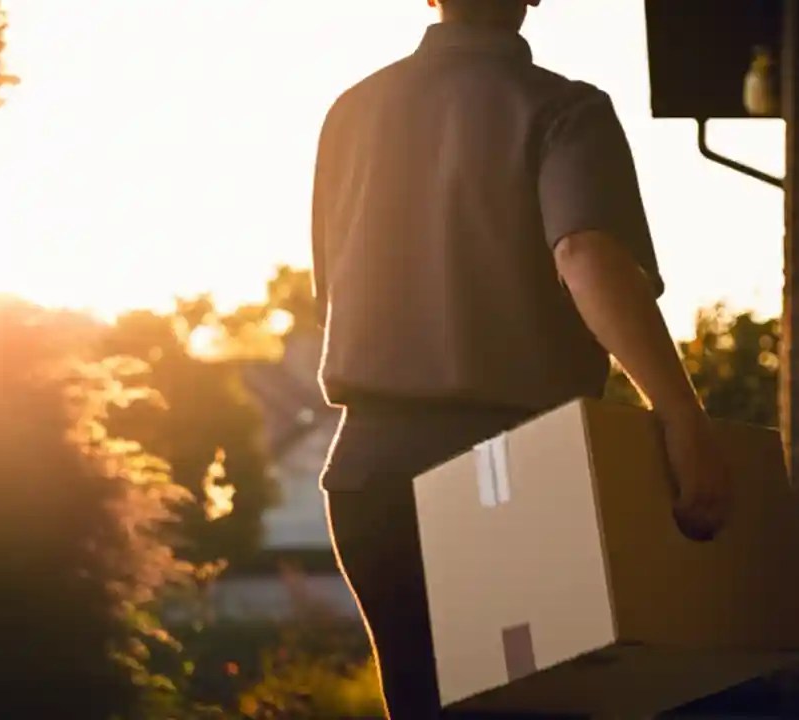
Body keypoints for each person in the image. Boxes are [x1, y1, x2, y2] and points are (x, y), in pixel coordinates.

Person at [310, 0, 734, 717]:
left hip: (367, 473)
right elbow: (584, 254)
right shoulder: (564, 110)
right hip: (508, 473)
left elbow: (334, 281)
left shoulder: (352, 111)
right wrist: (681, 417)